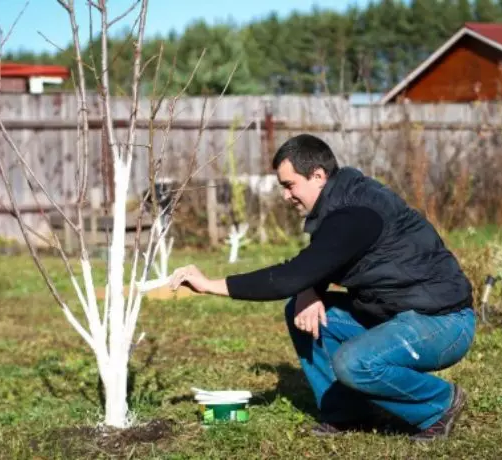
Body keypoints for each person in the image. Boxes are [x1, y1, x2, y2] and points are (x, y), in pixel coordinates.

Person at [169, 134, 475, 441]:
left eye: (289, 185)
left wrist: (209, 285)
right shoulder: (339, 202)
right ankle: (348, 413)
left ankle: (440, 403)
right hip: (394, 314)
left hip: (442, 323)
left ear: (318, 175)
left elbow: (290, 277)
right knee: (301, 311)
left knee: (354, 363)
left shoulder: (356, 213)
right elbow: (320, 262)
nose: (286, 196)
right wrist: (308, 291)